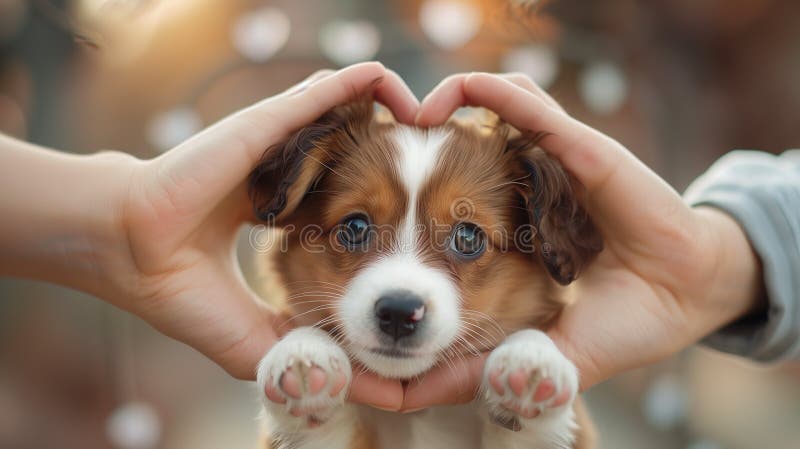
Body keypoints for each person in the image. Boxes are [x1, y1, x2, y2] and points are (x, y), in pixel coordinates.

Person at [0, 63, 797, 413]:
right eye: (354, 228)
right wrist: (129, 223)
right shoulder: (305, 365)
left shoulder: (533, 360)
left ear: (542, 248)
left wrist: (714, 264)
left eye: (468, 240)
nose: (404, 286)